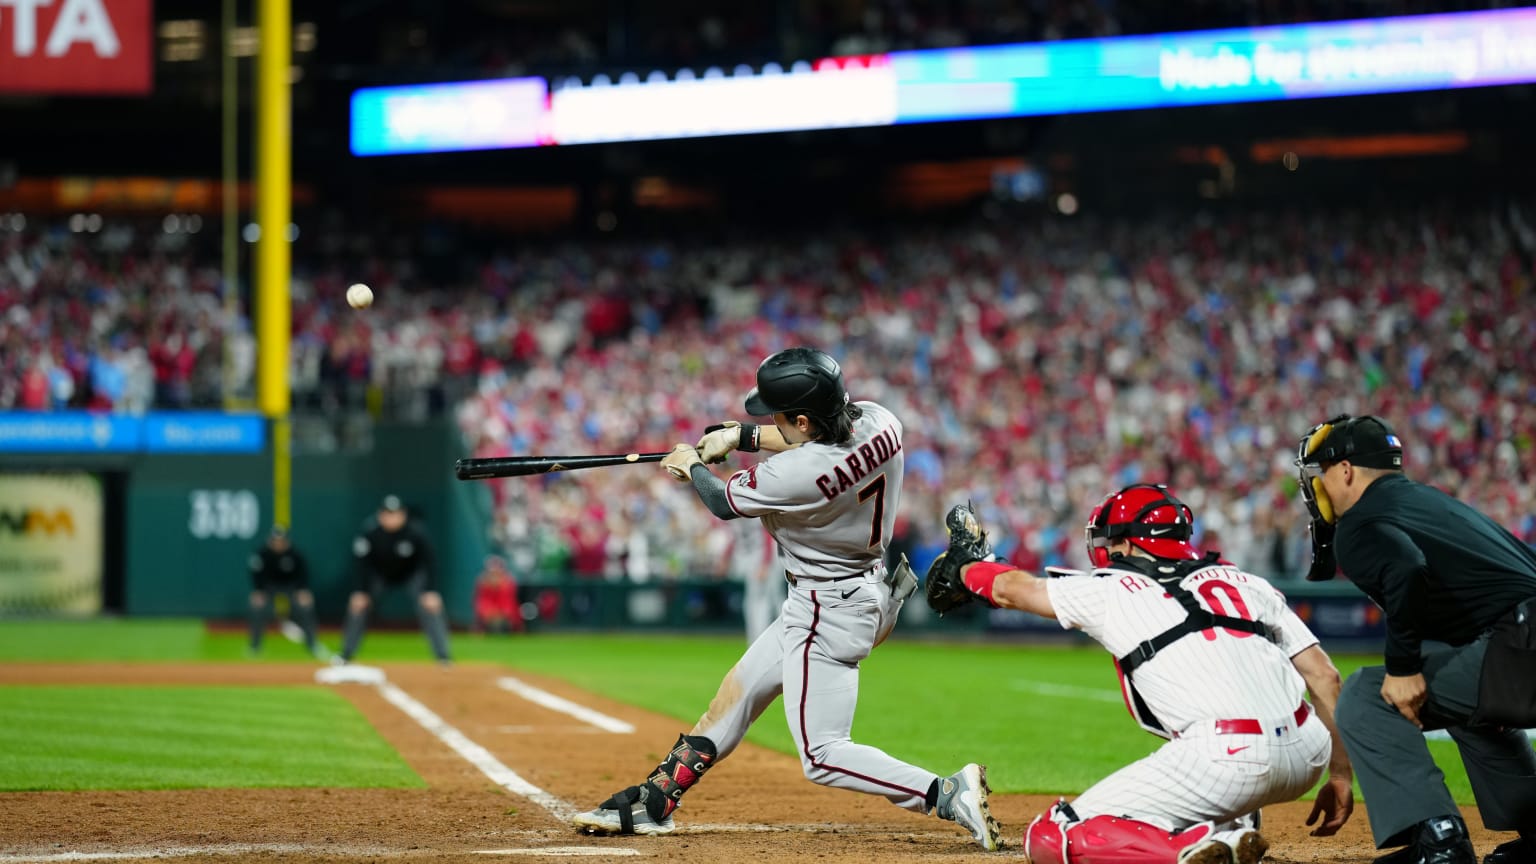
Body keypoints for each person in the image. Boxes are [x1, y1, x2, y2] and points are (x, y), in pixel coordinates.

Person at [570, 346, 1001, 850]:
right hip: (857, 592)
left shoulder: (797, 474)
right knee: (738, 694)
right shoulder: (882, 421)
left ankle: (944, 792)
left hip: (829, 609)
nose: (770, 421)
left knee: (822, 755)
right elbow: (811, 435)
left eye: (777, 416)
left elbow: (723, 501)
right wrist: (741, 435)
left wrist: (692, 466)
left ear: (802, 419)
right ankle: (656, 800)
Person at [926, 484, 1355, 864]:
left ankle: (1191, 850)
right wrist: (1339, 775)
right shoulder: (1246, 581)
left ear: (1130, 545)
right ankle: (1232, 824)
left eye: (1112, 541)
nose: (1107, 550)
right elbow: (1325, 677)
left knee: (1049, 836)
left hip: (1228, 758)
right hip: (1307, 753)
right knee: (1224, 765)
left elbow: (1012, 589)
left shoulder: (1111, 587)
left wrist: (964, 566)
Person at [1295, 414, 1536, 864]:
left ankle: (1439, 843)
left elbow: (1406, 567)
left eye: (1320, 474)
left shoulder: (1360, 521)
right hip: (1518, 641)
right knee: (1461, 695)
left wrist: (1403, 667)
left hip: (1521, 643)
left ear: (1345, 471)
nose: (1317, 488)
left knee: (1367, 694)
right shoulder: (1430, 503)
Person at [337, 494, 453, 665]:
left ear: (403, 515)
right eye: (387, 514)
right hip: (379, 575)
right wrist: (360, 591)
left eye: (395, 513)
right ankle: (346, 654)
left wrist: (431, 590)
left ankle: (443, 656)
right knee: (358, 605)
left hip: (411, 574)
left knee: (431, 607)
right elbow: (360, 564)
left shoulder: (416, 532)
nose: (391, 518)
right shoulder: (370, 533)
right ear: (380, 515)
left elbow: (430, 562)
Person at [246, 524, 318, 656]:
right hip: (268, 588)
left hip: (291, 588)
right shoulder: (262, 554)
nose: (278, 544)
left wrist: (303, 591)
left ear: (286, 541)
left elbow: (303, 574)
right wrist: (258, 591)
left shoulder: (295, 555)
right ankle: (255, 646)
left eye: (281, 541)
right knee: (256, 607)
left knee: (306, 606)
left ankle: (312, 645)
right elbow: (256, 575)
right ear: (270, 541)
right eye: (275, 541)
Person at [727, 517, 784, 643]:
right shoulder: (738, 514)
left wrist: (765, 563)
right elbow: (734, 539)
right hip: (756, 560)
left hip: (767, 560)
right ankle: (760, 640)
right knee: (758, 603)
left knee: (767, 603)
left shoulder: (753, 511)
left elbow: (768, 535)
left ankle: (762, 640)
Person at [474, 554, 523, 634]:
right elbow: (481, 603)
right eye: (492, 574)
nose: (494, 576)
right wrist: (490, 613)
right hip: (489, 619)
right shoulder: (482, 585)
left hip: (505, 619)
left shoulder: (508, 585)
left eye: (497, 573)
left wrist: (501, 614)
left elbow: (510, 605)